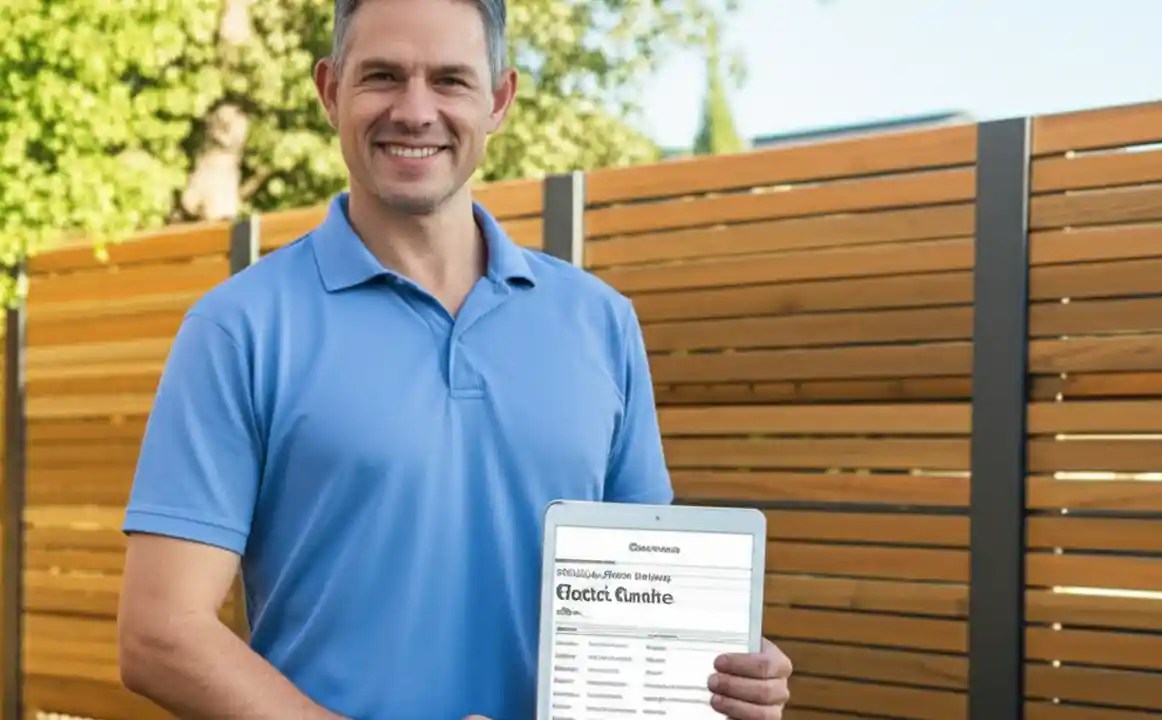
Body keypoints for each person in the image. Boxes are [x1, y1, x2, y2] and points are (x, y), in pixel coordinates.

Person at [116, 0, 793, 718]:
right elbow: (162, 634)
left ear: (499, 99)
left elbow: (650, 600)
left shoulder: (599, 322)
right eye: (382, 76)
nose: (414, 110)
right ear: (329, 91)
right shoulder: (239, 327)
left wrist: (724, 669)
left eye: (450, 80)